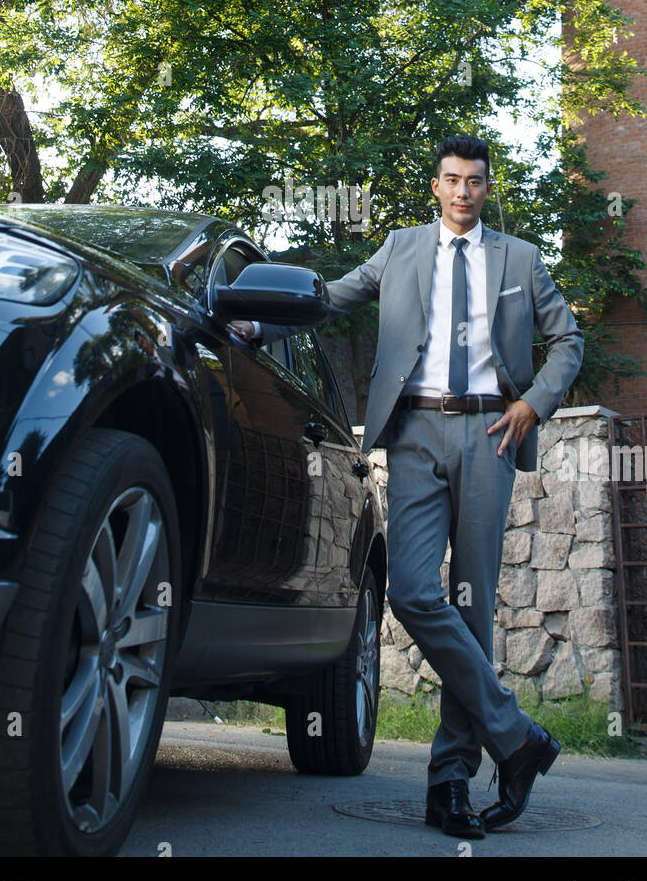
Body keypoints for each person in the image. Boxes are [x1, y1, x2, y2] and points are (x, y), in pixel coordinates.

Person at [231, 133, 584, 837]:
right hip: (416, 433)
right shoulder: (401, 249)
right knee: (414, 591)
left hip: (490, 434)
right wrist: (254, 322)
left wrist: (532, 403)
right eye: (451, 180)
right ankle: (515, 738)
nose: (462, 192)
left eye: (475, 181)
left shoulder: (521, 259)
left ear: (488, 188)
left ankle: (448, 784)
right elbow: (330, 298)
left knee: (473, 604)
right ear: (436, 186)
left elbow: (569, 339)